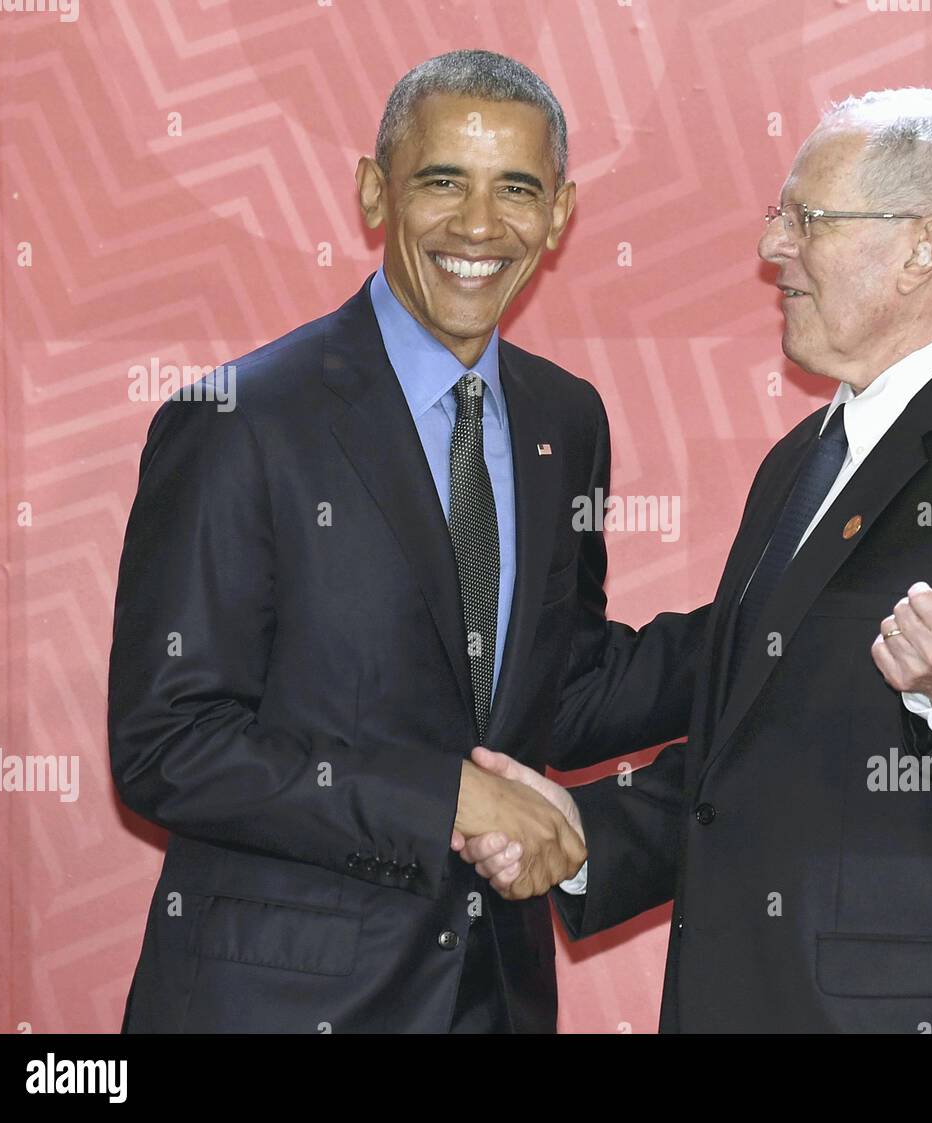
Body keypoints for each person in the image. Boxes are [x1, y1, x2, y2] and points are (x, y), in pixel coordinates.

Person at [458, 88, 932, 1033]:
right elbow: (755, 757)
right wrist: (583, 838)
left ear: (921, 249)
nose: (772, 247)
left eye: (805, 218)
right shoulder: (804, 459)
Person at [108, 49, 707, 1034]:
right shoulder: (240, 420)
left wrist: (779, 623)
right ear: (373, 193)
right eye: (442, 182)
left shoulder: (568, 419)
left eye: (516, 189)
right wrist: (446, 802)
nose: (478, 226)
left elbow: (563, 688)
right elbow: (168, 745)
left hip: (496, 999)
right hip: (279, 1003)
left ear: (559, 215)